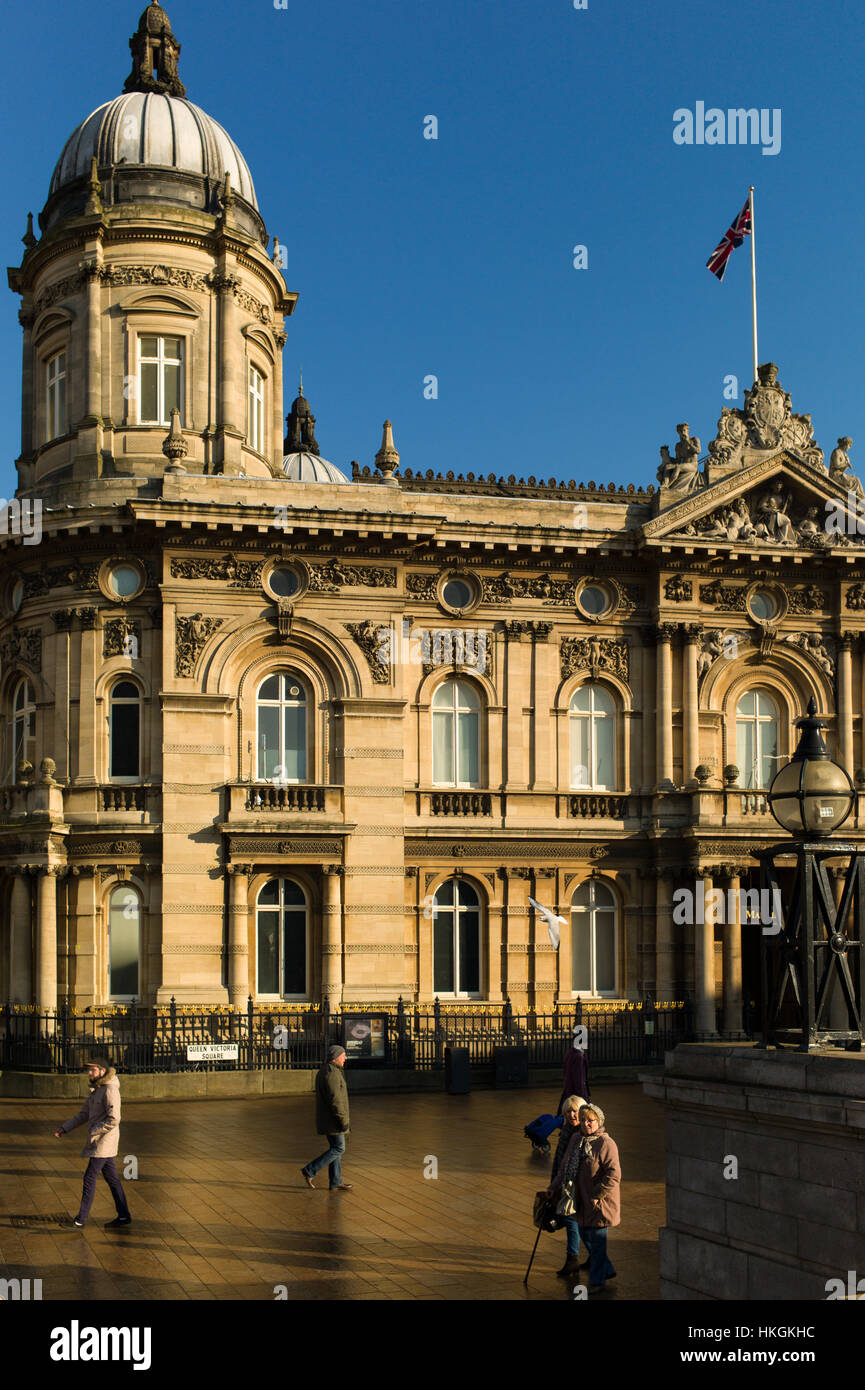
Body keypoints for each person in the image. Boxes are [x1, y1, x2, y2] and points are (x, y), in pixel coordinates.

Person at [54, 1056, 131, 1230]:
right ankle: (124, 1215)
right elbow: (83, 1114)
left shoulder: (110, 1090)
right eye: (88, 1070)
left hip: (104, 1141)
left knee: (89, 1178)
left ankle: (80, 1220)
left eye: (93, 1070)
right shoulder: (97, 1089)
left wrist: (95, 1130)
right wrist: (64, 1129)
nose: (89, 1073)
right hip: (100, 1141)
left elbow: (114, 1119)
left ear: (102, 1071)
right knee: (112, 1179)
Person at [576, 1102, 620, 1294]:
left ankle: (597, 1281)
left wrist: (598, 1194)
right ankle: (607, 1269)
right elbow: (565, 1167)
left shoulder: (606, 1143)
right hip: (583, 1200)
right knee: (584, 1233)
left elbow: (614, 1174)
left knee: (598, 1241)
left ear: (599, 1121)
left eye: (590, 1121)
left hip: (600, 1202)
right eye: (583, 1120)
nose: (586, 1124)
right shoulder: (578, 1141)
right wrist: (555, 1187)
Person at [301, 1045, 352, 1191]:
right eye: (343, 1055)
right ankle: (310, 1170)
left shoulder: (329, 1071)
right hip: (333, 1120)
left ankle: (335, 1181)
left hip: (330, 1119)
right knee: (339, 1148)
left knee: (336, 1148)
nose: (345, 1058)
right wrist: (343, 1120)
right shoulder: (332, 1074)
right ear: (335, 1057)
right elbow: (335, 1100)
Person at [546, 1094, 587, 1278]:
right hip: (564, 1182)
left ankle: (573, 1259)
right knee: (577, 1223)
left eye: (576, 1111)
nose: (572, 1115)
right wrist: (554, 1181)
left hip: (575, 1185)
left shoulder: (582, 1133)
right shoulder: (566, 1132)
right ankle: (593, 1256)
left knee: (571, 1221)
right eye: (569, 1111)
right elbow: (559, 1161)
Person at [556, 1042, 590, 1115]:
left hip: (569, 1087)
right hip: (576, 1090)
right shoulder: (578, 1056)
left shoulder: (571, 1052)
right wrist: (583, 1097)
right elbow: (579, 1078)